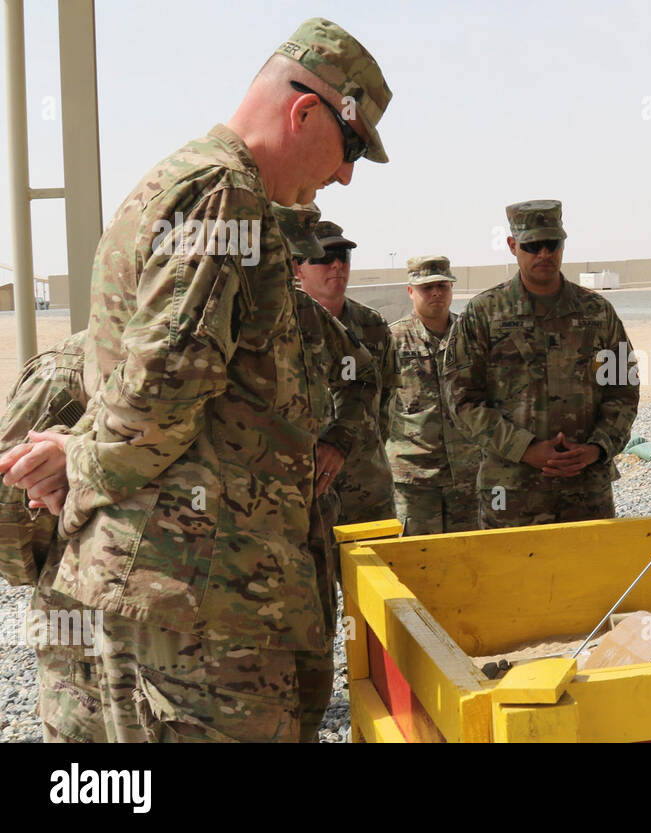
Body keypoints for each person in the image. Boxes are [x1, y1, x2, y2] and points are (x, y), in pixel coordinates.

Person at [0, 17, 392, 742]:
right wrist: (80, 462)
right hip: (198, 604)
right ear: (305, 112)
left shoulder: (188, 184)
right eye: (351, 150)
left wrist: (76, 455)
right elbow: (164, 384)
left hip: (187, 596)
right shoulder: (222, 191)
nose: (343, 176)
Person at [443, 200, 639, 528]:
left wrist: (597, 447)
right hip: (511, 490)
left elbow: (623, 389)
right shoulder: (484, 314)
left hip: (586, 486)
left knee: (592, 561)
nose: (544, 254)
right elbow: (462, 400)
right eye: (532, 246)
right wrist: (525, 448)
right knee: (511, 563)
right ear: (512, 246)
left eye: (552, 244)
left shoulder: (597, 312)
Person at [273, 201, 378, 741]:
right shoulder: (207, 315)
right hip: (236, 527)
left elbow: (363, 377)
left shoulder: (307, 318)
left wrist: (339, 440)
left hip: (311, 513)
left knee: (314, 646)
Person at [0, 331, 104, 742]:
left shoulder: (77, 365)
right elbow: (9, 506)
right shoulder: (70, 370)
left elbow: (8, 523)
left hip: (100, 654)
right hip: (90, 628)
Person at [295, 219, 398, 527]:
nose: (337, 265)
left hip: (366, 489)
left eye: (343, 256)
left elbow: (384, 401)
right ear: (298, 268)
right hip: (307, 491)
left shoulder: (372, 325)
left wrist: (356, 445)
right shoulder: (283, 324)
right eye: (324, 257)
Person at [387, 256, 481, 534]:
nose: (436, 293)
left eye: (442, 286)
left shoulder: (472, 336)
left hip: (468, 474)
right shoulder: (392, 340)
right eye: (427, 287)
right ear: (410, 291)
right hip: (414, 480)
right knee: (417, 555)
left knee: (470, 554)